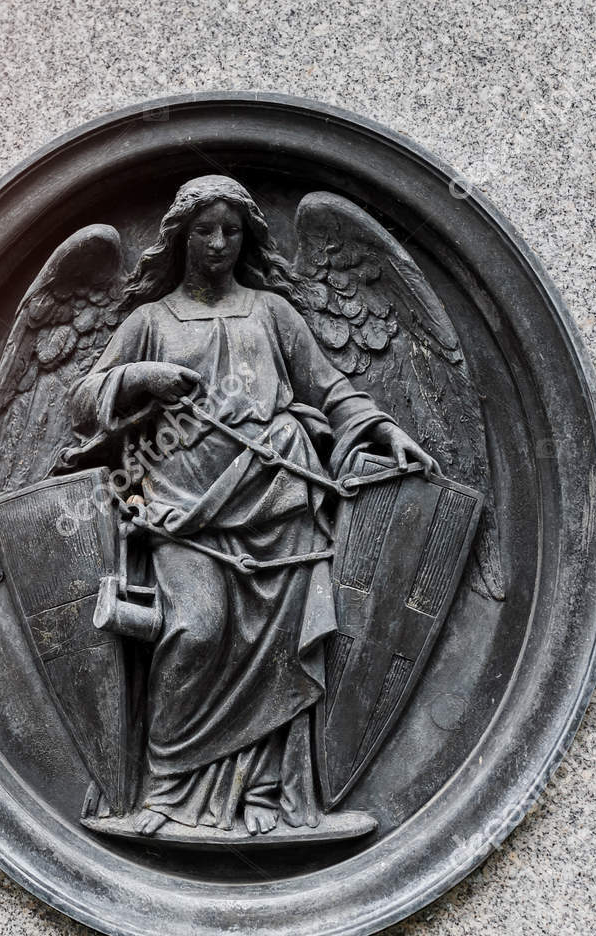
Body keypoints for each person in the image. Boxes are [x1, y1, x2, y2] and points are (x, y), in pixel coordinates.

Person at [65, 175, 436, 835]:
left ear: (246, 236)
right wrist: (139, 377)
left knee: (280, 648)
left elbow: (328, 385)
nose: (218, 243)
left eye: (231, 230)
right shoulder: (150, 322)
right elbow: (81, 398)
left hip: (275, 498)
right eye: (205, 230)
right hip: (182, 509)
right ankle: (165, 793)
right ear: (180, 236)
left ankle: (268, 797)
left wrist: (380, 427)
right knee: (196, 630)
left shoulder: (272, 312)